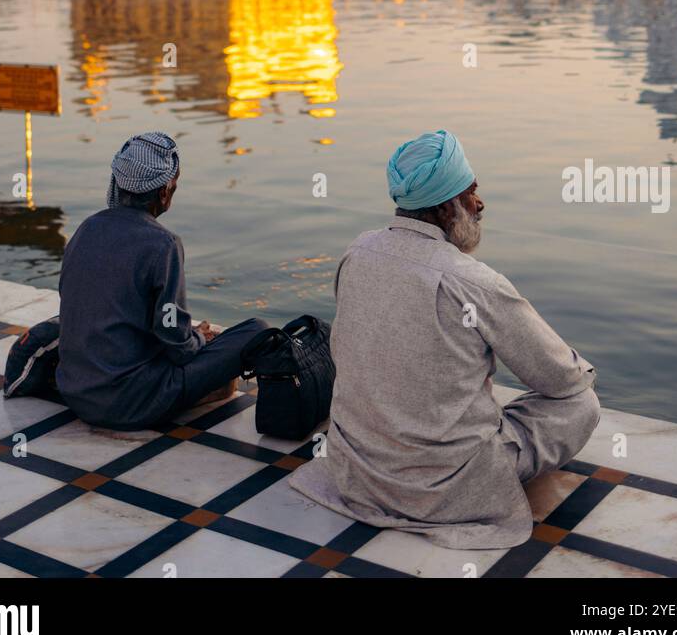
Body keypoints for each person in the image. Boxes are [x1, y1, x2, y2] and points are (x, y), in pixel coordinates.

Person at [290, 129, 600, 549]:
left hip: (356, 474)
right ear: (445, 207)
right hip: (447, 485)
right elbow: (561, 379)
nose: (479, 203)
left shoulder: (357, 251)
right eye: (471, 193)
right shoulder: (474, 281)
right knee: (581, 404)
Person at [56, 132, 267, 430]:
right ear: (165, 192)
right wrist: (196, 338)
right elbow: (177, 346)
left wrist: (183, 332)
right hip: (129, 404)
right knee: (256, 330)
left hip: (75, 392)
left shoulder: (86, 228)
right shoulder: (163, 244)